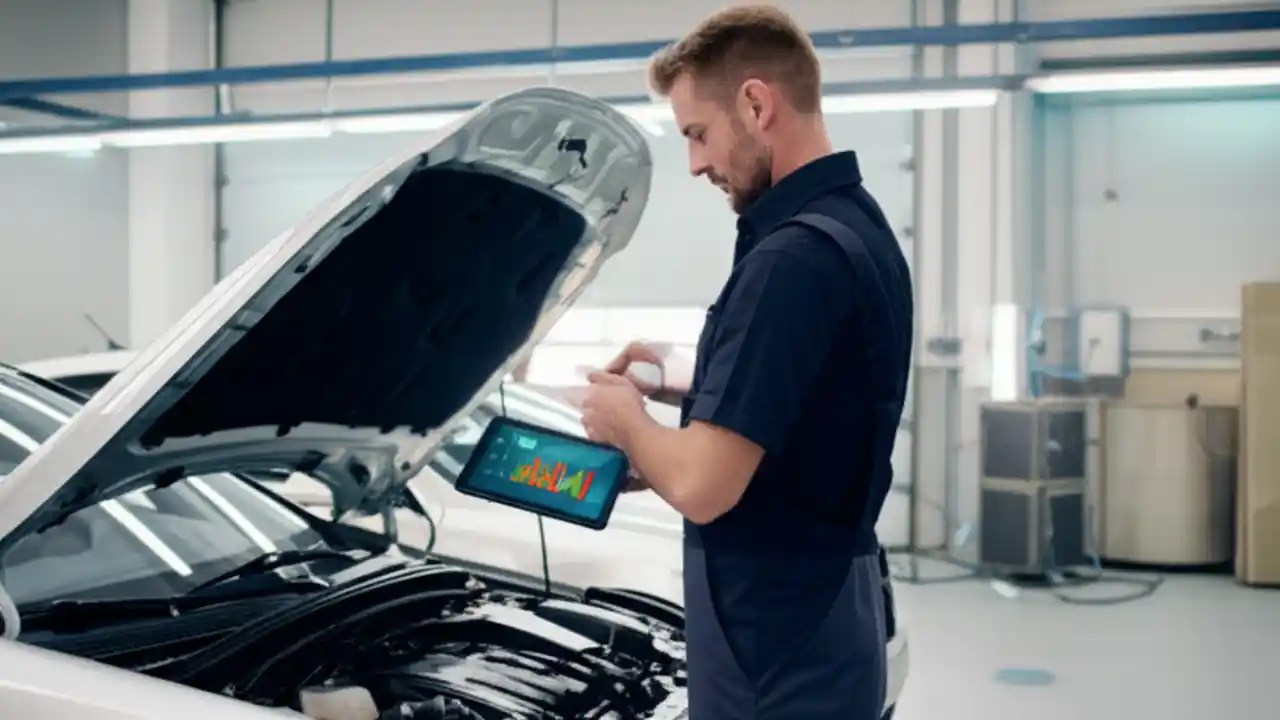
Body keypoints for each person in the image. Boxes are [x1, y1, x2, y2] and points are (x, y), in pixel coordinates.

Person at [579, 5, 914, 719]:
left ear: (757, 105)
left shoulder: (790, 259)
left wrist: (625, 419)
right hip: (828, 607)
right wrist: (692, 385)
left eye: (697, 134)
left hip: (774, 644)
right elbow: (816, 397)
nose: (695, 164)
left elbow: (703, 486)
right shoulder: (857, 226)